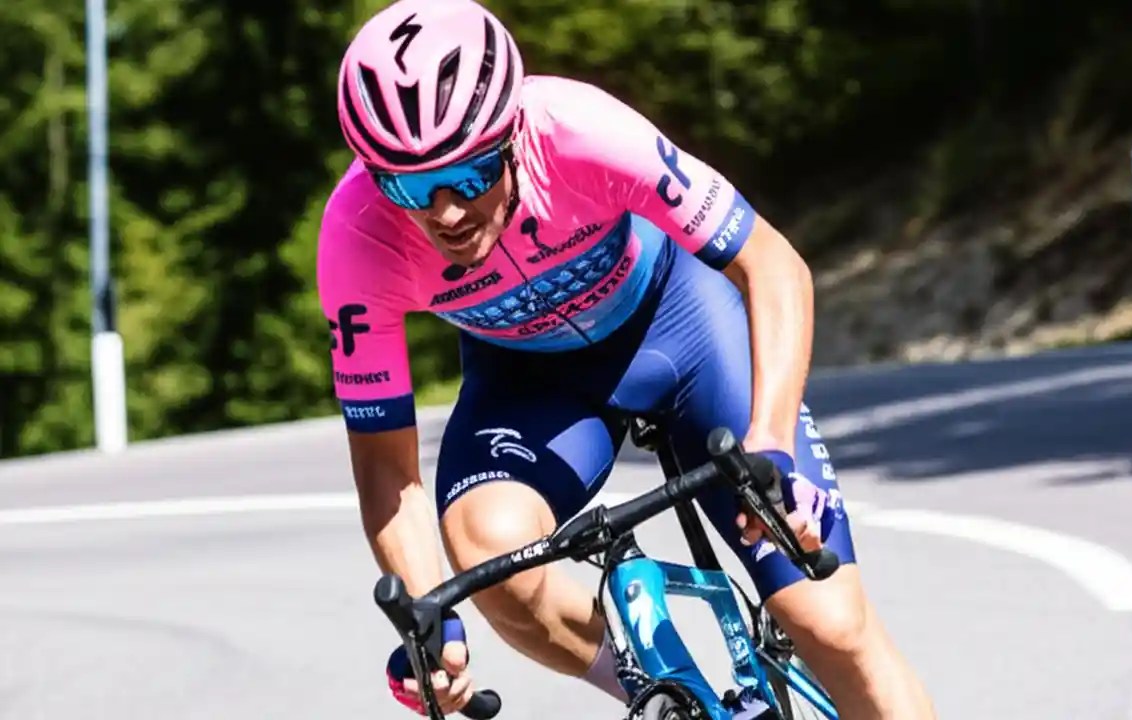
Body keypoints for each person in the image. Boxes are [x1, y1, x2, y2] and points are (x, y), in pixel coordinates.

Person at [319, 0, 936, 716]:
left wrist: (772, 448)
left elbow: (773, 265)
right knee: (486, 551)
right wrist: (434, 627)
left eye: (472, 173)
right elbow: (386, 470)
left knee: (829, 622)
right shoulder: (358, 238)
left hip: (681, 327)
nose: (448, 213)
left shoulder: (583, 133)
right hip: (533, 380)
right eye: (411, 187)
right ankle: (670, 702)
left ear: (512, 137)